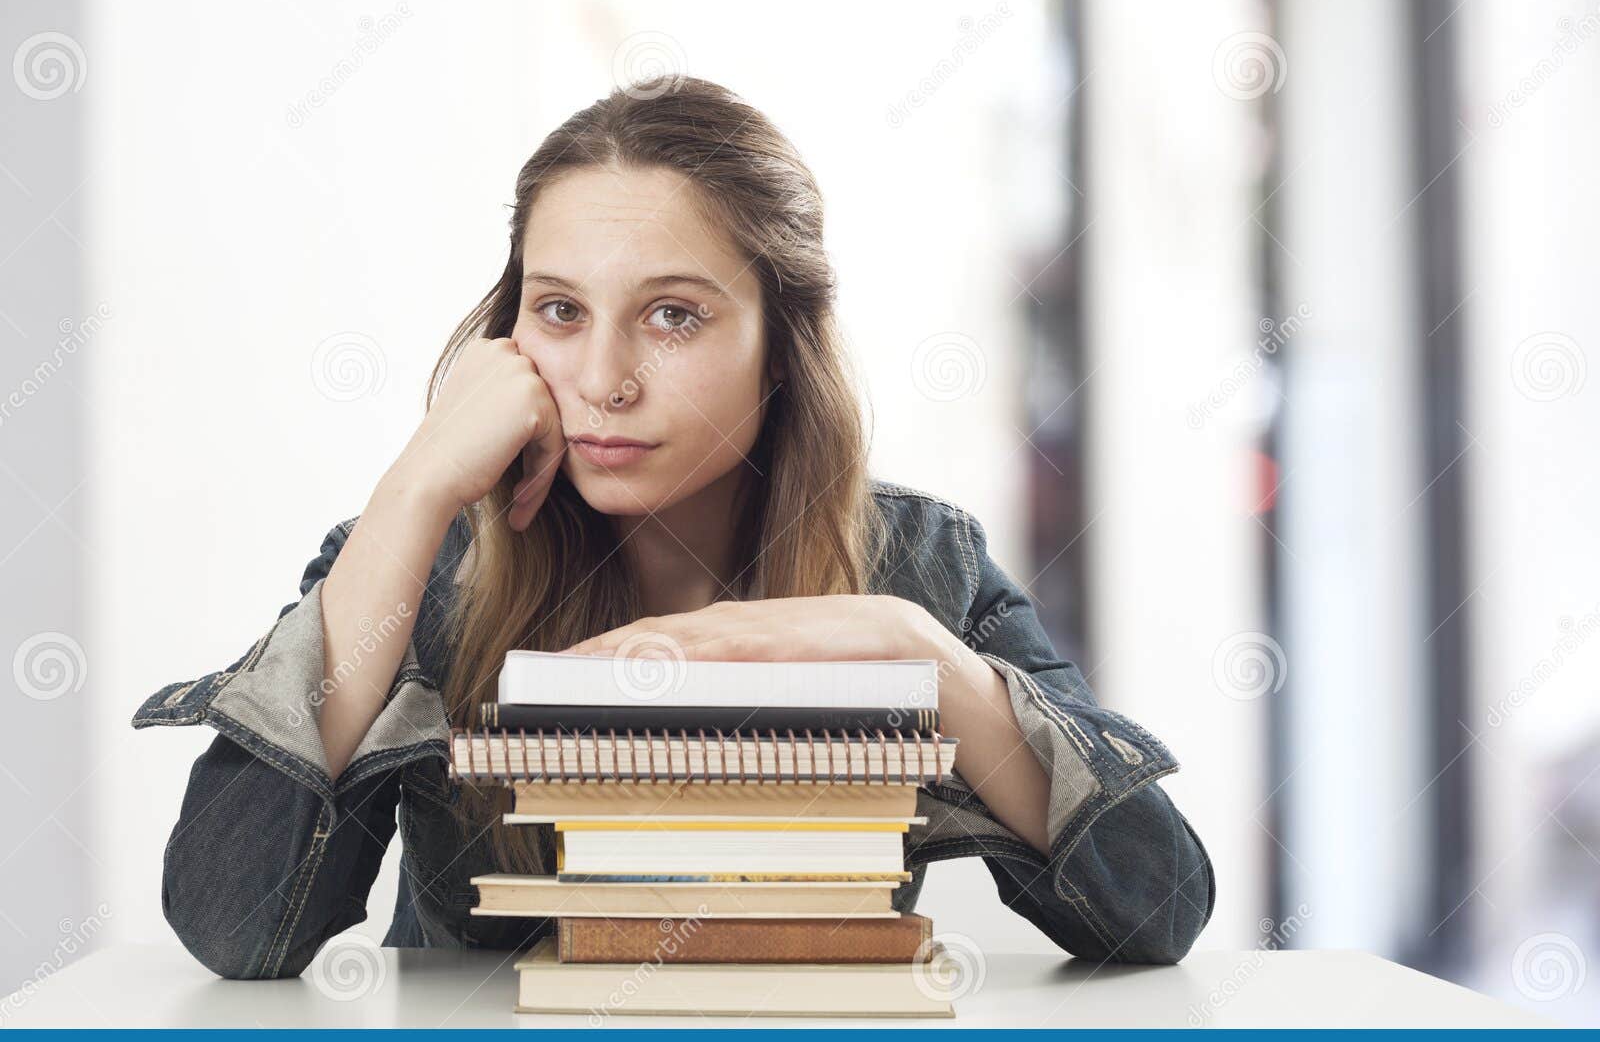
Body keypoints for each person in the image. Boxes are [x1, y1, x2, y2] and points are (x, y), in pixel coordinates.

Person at [133, 76, 1214, 980]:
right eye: (559, 310)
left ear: (782, 343)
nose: (602, 380)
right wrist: (415, 487)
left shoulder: (920, 565)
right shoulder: (420, 564)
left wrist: (921, 652)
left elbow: (1155, 908)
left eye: (672, 315)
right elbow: (234, 926)